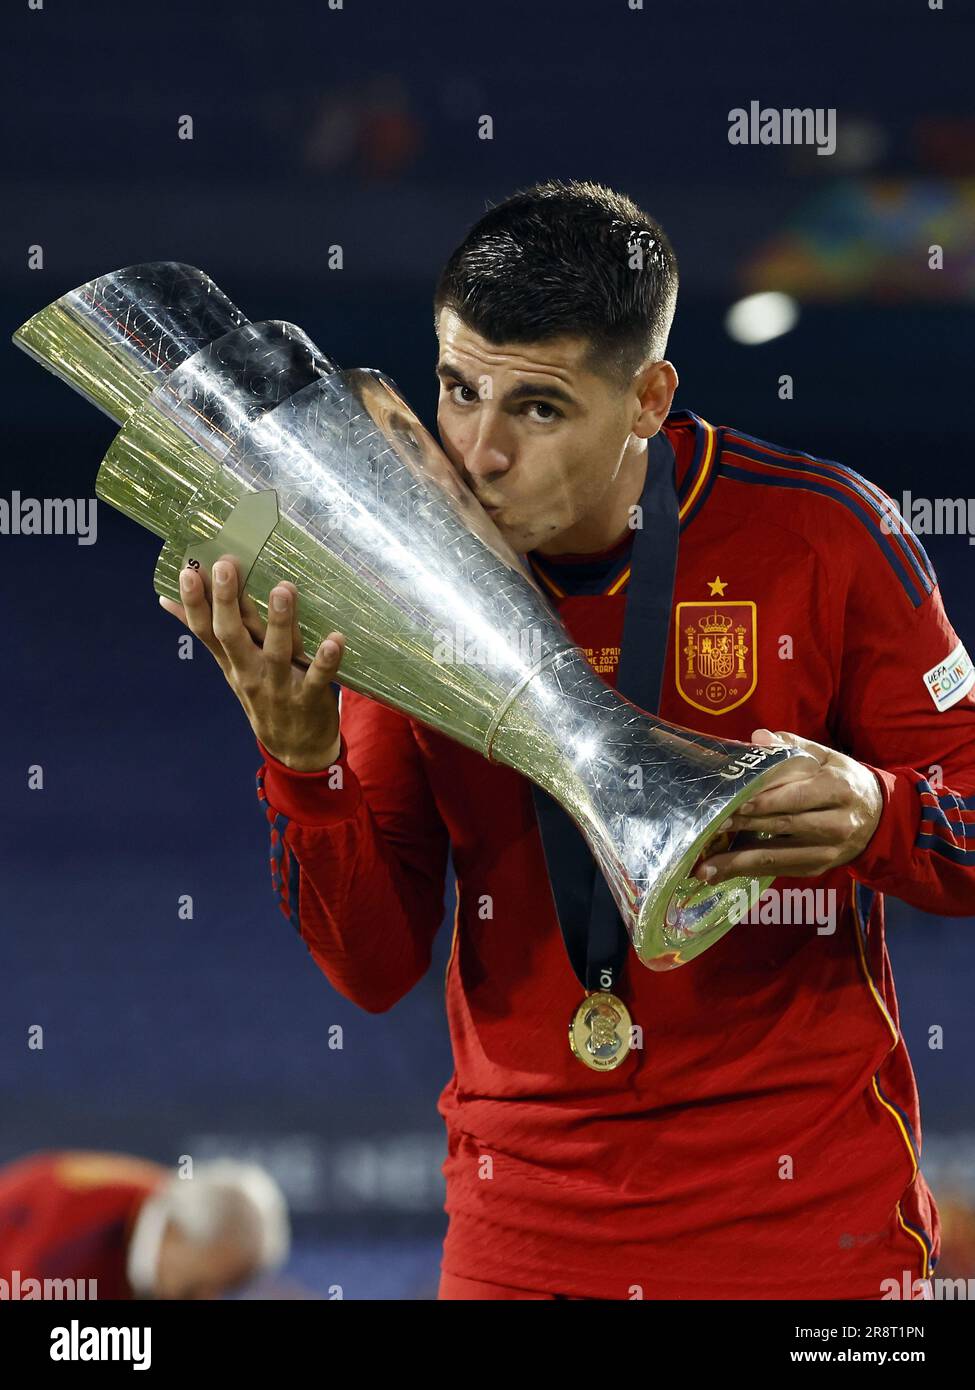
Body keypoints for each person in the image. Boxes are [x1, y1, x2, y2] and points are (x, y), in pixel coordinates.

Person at [160, 179, 975, 1300]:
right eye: (458, 389)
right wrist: (303, 769)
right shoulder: (402, 570)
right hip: (525, 1237)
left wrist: (883, 814)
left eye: (538, 408)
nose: (480, 452)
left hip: (804, 1237)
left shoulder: (823, 536)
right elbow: (376, 967)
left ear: (647, 397)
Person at [0, 1150, 289, 1299]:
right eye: (196, 1287)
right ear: (174, 1234)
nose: (206, 1298)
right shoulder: (62, 1250)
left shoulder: (184, 1207)